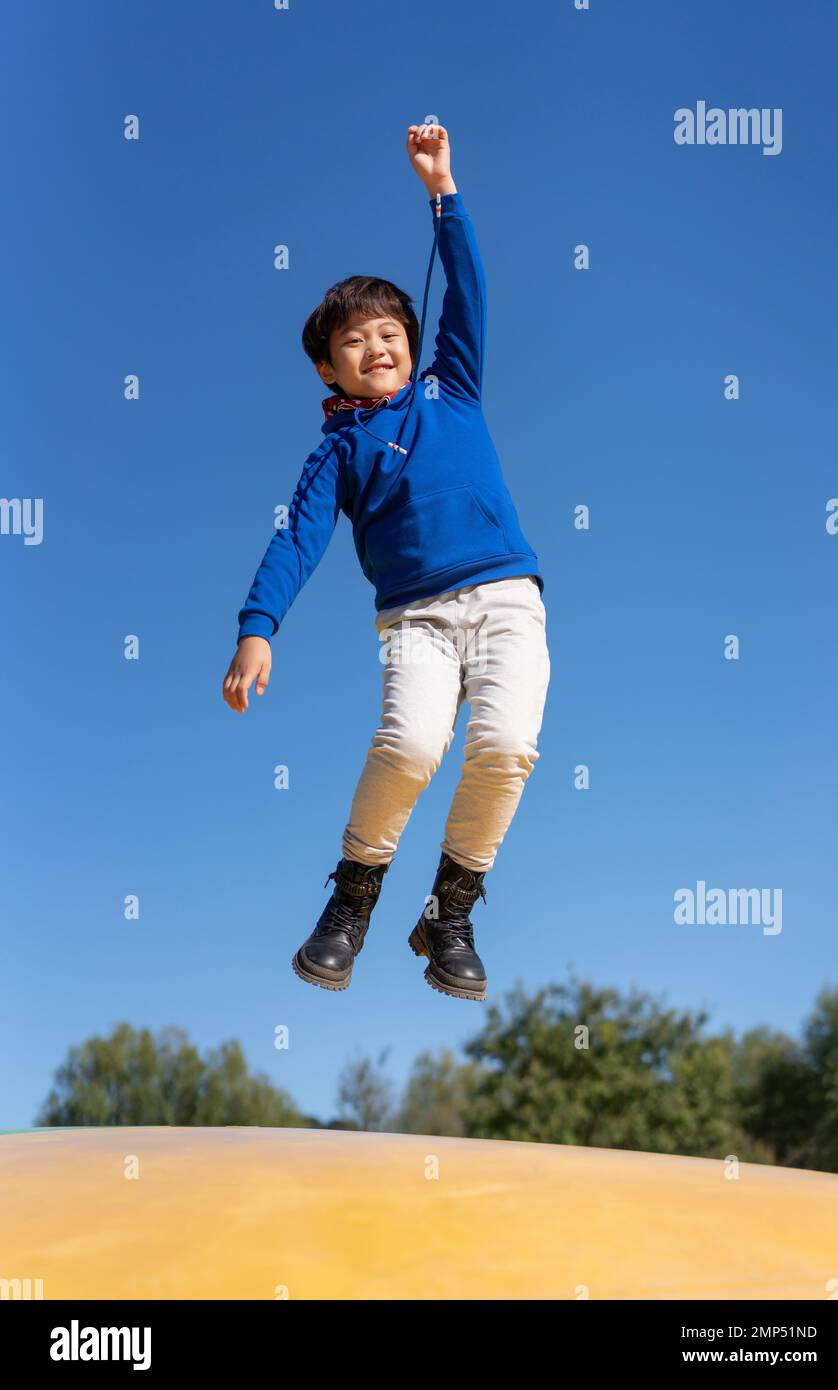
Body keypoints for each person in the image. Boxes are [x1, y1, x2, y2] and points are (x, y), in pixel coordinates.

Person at [222, 124, 551, 1003]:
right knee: (409, 744)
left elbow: (469, 290)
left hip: (508, 597)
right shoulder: (336, 449)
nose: (376, 347)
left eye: (387, 332)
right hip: (415, 616)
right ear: (330, 368)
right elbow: (295, 537)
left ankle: (450, 911)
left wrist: (441, 190)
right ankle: (354, 899)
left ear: (411, 341)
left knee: (507, 744)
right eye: (353, 342)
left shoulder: (453, 387)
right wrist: (258, 630)